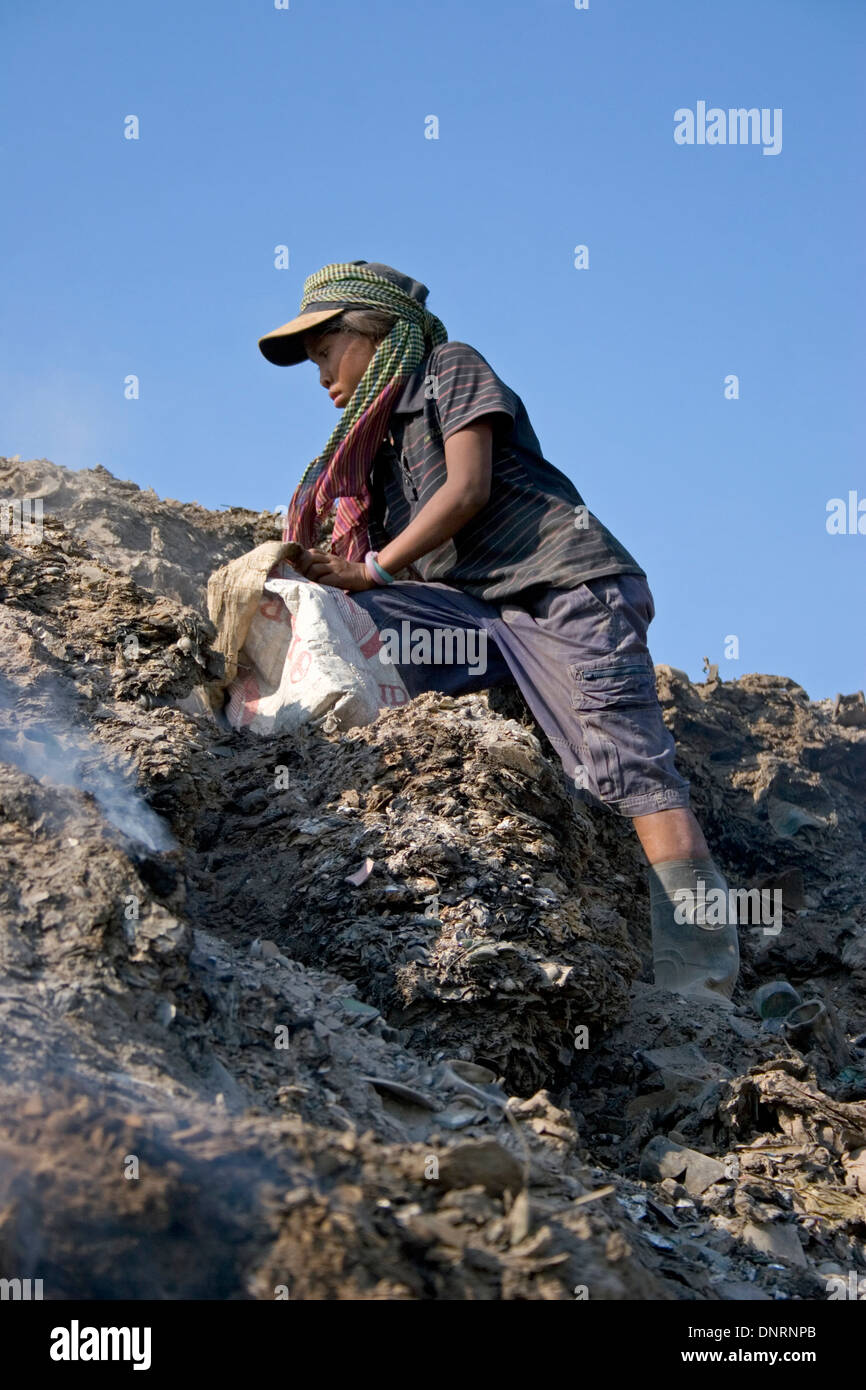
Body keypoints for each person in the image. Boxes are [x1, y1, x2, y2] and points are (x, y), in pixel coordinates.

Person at [258, 260, 739, 1002]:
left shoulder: (450, 369)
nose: (322, 375)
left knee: (632, 777)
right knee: (337, 616)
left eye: (327, 350)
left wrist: (375, 570)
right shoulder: (378, 452)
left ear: (378, 331)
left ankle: (704, 981)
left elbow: (469, 488)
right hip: (482, 616)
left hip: (564, 595)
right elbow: (390, 584)